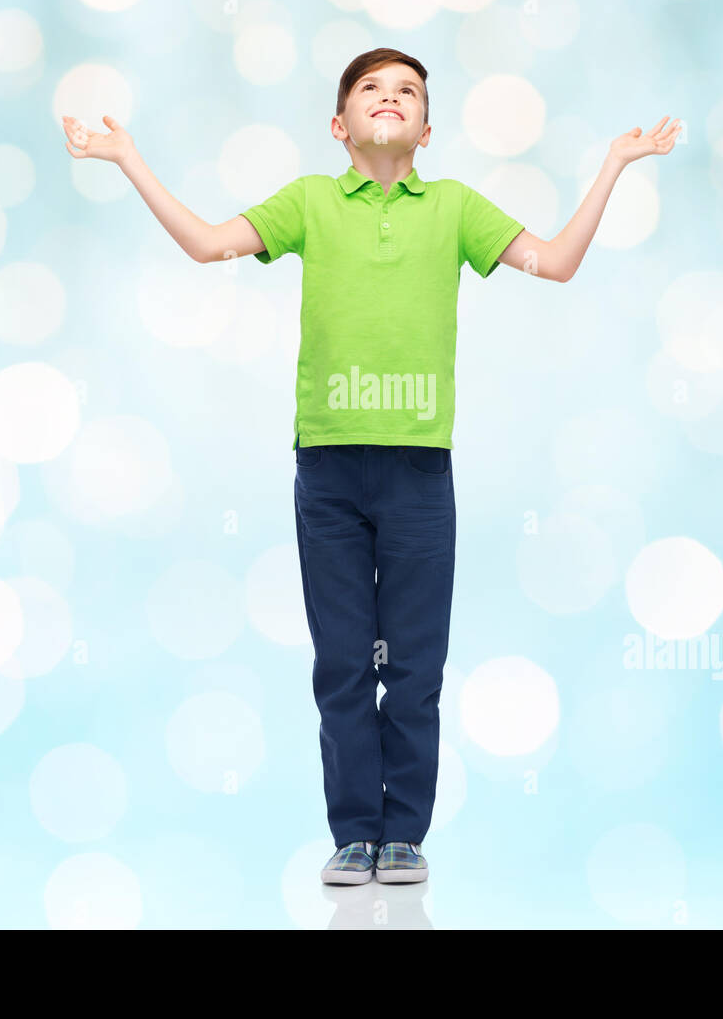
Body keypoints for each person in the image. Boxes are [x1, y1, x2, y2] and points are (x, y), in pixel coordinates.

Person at [62, 47, 681, 885]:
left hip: (421, 470)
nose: (389, 99)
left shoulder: (455, 207)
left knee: (415, 665)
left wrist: (612, 164)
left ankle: (405, 837)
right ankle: (355, 832)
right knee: (346, 661)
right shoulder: (312, 202)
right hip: (328, 468)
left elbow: (558, 262)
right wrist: (129, 157)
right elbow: (209, 246)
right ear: (339, 124)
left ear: (427, 129)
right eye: (370, 90)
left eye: (408, 93)